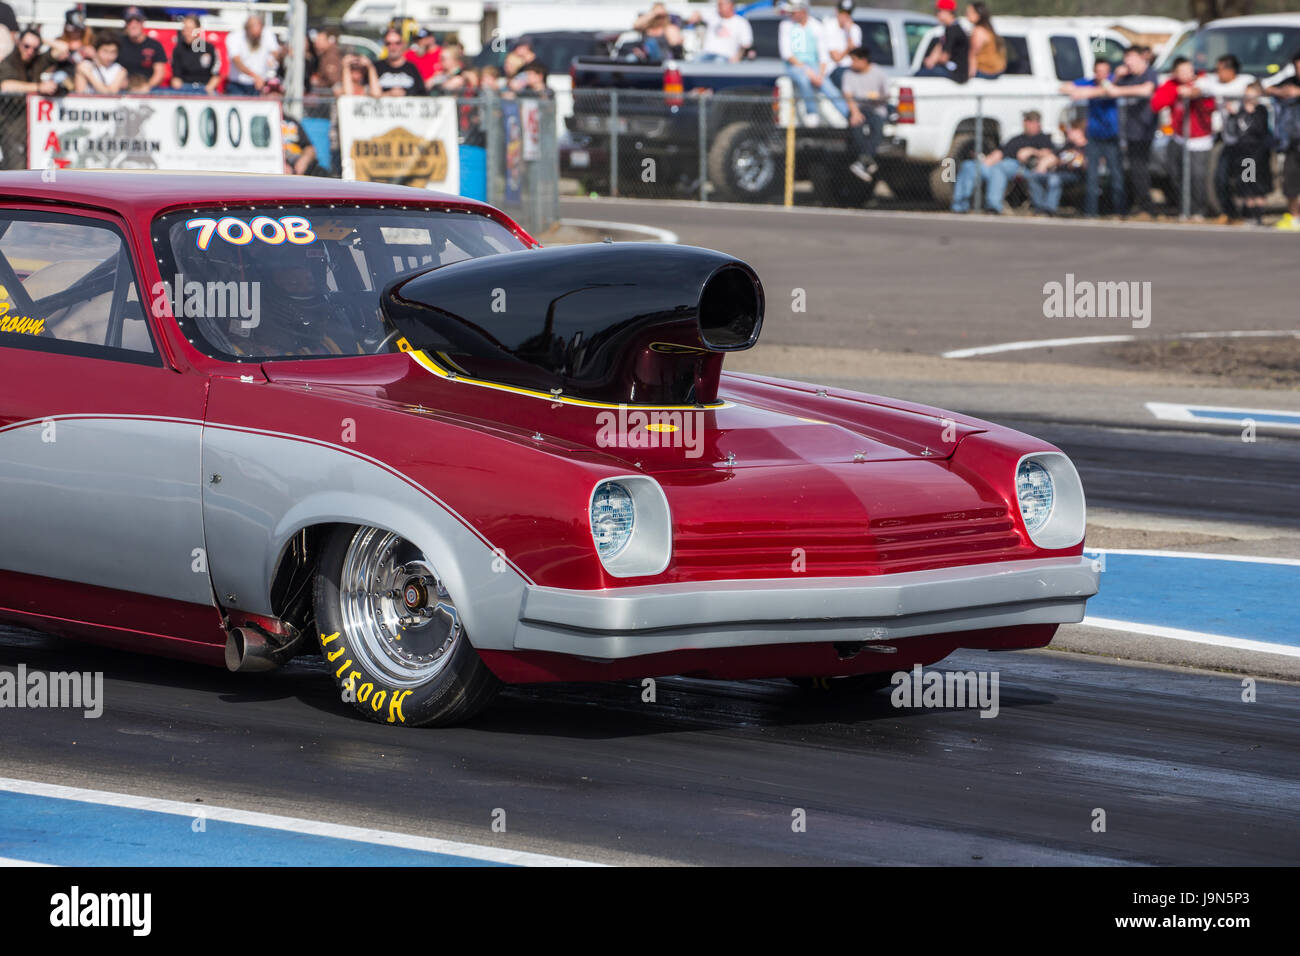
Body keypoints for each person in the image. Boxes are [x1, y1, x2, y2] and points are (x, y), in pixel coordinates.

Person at [951, 110, 1052, 214]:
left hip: (1020, 168)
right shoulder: (1016, 138)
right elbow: (1000, 152)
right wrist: (987, 161)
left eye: (1029, 120)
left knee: (1000, 168)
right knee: (969, 166)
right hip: (999, 166)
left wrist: (1031, 151)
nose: (1025, 123)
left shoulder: (1043, 138)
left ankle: (993, 206)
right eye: (1025, 120)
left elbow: (1049, 154)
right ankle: (959, 206)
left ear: (1037, 123)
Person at [1151, 56, 1216, 219]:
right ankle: (1183, 207)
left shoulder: (1203, 81)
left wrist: (1194, 92)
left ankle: (1199, 210)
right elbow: (1156, 103)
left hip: (1199, 139)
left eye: (1189, 69)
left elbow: (1208, 100)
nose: (1187, 73)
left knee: (1197, 177)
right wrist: (1176, 91)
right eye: (1182, 71)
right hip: (1179, 137)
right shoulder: (1172, 85)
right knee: (1176, 174)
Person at [1200, 55, 1255, 224]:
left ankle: (1250, 214)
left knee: (1247, 178)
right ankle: (1230, 212)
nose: (1217, 73)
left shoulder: (1246, 83)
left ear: (1230, 70)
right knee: (1220, 178)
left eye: (1220, 69)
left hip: (1247, 144)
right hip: (1228, 142)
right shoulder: (1216, 85)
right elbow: (1202, 87)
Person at [1065, 57, 1123, 217]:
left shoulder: (1113, 81)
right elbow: (1065, 87)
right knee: (1092, 176)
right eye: (1099, 71)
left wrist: (1090, 93)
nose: (1102, 75)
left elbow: (1113, 87)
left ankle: (1119, 211)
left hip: (1111, 137)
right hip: (1094, 137)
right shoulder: (1089, 82)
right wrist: (1080, 91)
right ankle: (1091, 212)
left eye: (1105, 72)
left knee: (1116, 175)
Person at [1110, 45, 1159, 221]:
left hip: (1144, 130)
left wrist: (1119, 91)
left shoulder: (1149, 73)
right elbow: (1109, 89)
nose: (1128, 64)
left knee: (1140, 169)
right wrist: (1116, 76)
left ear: (1141, 58)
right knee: (1133, 170)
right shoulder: (1127, 77)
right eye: (1126, 61)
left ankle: (1148, 208)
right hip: (1129, 131)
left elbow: (1147, 89)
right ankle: (1138, 205)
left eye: (1132, 60)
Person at [779, 0, 846, 125]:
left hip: (814, 66)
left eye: (794, 11)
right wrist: (808, 71)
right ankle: (812, 113)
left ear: (803, 11)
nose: (791, 14)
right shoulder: (786, 25)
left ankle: (849, 116)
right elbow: (787, 54)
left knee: (829, 87)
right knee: (804, 80)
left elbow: (823, 55)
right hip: (795, 66)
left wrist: (820, 75)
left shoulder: (816, 26)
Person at [1220, 82, 1272, 225]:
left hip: (1258, 153)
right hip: (1243, 154)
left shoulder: (1261, 110)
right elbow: (1233, 130)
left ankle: (1258, 215)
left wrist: (1251, 111)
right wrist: (1232, 114)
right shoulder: (1240, 111)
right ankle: (1248, 215)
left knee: (1258, 185)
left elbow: (1261, 129)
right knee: (1247, 183)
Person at [841, 45, 887, 182]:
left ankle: (863, 162)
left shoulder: (878, 73)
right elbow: (847, 95)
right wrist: (855, 113)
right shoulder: (848, 74)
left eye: (855, 60)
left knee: (877, 129)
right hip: (858, 108)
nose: (852, 63)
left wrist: (877, 98)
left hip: (876, 108)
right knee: (857, 129)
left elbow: (887, 94)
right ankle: (867, 161)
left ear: (864, 60)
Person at [1025, 119, 1087, 215]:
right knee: (1033, 176)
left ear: (1080, 132)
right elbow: (1053, 157)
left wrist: (1073, 160)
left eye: (1072, 130)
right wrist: (1042, 165)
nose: (1068, 132)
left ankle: (1049, 209)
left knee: (1054, 179)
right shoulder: (1068, 146)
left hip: (1075, 175)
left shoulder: (1087, 147)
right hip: (1058, 173)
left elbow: (1081, 165)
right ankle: (1039, 208)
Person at [1268, 51, 1300, 230]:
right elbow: (1265, 87)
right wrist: (1283, 92)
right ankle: (1294, 217)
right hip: (1292, 141)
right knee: (1290, 181)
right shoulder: (1289, 81)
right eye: (1297, 66)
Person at [226, 13, 280, 96]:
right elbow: (237, 61)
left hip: (260, 85)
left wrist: (274, 59)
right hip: (238, 85)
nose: (256, 36)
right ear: (247, 29)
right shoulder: (234, 37)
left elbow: (276, 52)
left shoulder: (267, 34)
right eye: (253, 33)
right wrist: (255, 77)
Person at [116, 7, 166, 92]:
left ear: (143, 23)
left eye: (137, 21)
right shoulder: (118, 43)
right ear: (125, 24)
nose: (133, 24)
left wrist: (147, 87)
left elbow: (159, 73)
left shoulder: (155, 45)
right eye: (129, 21)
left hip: (148, 90)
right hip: (123, 88)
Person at [918, 0, 968, 83]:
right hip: (954, 72)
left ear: (947, 12)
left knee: (920, 74)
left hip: (957, 74)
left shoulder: (953, 30)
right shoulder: (950, 28)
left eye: (939, 11)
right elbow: (941, 46)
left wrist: (932, 61)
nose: (937, 14)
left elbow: (944, 58)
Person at [690, 0, 752, 64]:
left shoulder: (741, 22)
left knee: (718, 63)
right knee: (695, 61)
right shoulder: (713, 17)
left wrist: (737, 57)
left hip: (726, 56)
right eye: (718, 4)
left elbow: (745, 44)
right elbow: (698, 14)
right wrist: (694, 17)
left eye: (721, 4)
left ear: (731, 5)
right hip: (707, 53)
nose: (719, 7)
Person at [169, 15, 220, 94]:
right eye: (185, 29)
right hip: (185, 87)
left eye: (190, 29)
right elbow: (176, 78)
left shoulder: (209, 48)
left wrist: (208, 89)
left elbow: (216, 75)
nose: (187, 32)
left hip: (205, 87)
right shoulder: (178, 49)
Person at [0, 28, 55, 95]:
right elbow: (5, 86)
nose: (30, 51)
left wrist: (42, 40)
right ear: (18, 42)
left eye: (35, 48)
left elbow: (63, 49)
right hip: (12, 104)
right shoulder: (9, 61)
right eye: (26, 46)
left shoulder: (37, 60)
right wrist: (38, 87)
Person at [373, 28, 426, 95]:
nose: (393, 47)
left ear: (403, 44)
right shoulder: (375, 67)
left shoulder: (412, 68)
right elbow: (366, 92)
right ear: (384, 45)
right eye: (388, 43)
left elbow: (422, 94)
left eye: (397, 43)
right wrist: (389, 94)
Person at [823, 0, 861, 89]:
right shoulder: (829, 26)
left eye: (848, 13)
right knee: (848, 79)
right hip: (834, 69)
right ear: (836, 11)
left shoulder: (855, 29)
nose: (845, 16)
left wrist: (849, 33)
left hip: (852, 68)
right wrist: (849, 48)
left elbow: (856, 56)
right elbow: (836, 58)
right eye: (842, 12)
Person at [966, 2, 1004, 79]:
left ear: (978, 14)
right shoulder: (987, 29)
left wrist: (970, 76)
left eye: (970, 12)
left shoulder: (978, 31)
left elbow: (973, 55)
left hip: (986, 70)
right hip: (997, 69)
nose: (967, 14)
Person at [309, 27, 343, 94]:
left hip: (328, 95)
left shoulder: (331, 55)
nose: (316, 44)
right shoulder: (324, 54)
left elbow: (333, 78)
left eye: (319, 41)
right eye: (316, 41)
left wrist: (318, 82)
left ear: (327, 41)